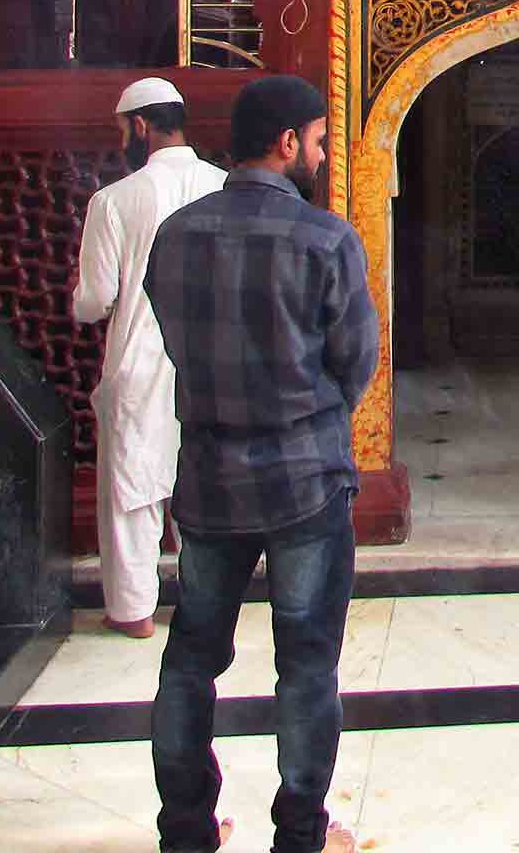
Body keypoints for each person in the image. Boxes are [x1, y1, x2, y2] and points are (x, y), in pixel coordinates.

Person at [145, 74, 378, 853]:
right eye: (315, 139)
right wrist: (305, 417)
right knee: (307, 664)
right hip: (304, 482)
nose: (317, 151)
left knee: (189, 660)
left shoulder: (175, 235)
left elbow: (179, 345)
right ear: (288, 143)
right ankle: (301, 837)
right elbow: (356, 364)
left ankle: (185, 830)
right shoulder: (325, 239)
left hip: (209, 481)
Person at [72, 76, 226, 637]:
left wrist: (76, 302)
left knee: (132, 492)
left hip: (139, 362)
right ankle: (208, 608)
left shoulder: (113, 201)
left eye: (122, 131)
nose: (121, 143)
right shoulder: (225, 187)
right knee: (203, 487)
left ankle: (134, 611)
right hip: (212, 366)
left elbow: (95, 299)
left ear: (140, 126)